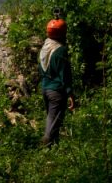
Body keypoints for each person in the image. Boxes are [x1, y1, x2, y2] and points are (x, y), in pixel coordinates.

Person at [39, 18, 74, 146]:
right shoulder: (60, 50)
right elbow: (65, 75)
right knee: (53, 124)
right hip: (56, 92)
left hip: (45, 89)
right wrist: (70, 93)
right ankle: (45, 147)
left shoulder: (45, 47)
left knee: (51, 119)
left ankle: (54, 147)